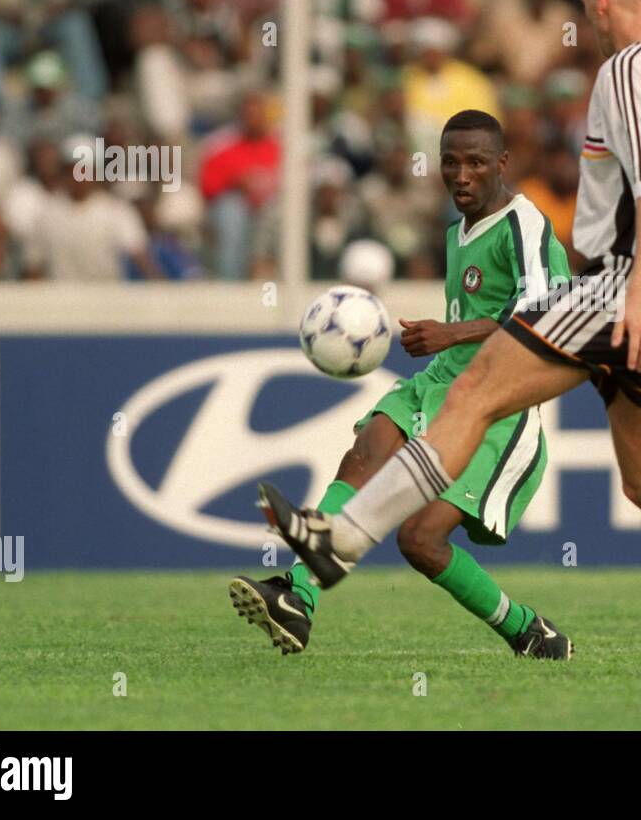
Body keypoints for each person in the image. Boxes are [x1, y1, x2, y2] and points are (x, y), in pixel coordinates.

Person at [259, 0, 641, 676]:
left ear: (599, 3)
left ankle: (337, 542)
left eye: (586, 8)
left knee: (472, 394)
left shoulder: (627, 68)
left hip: (629, 281)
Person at [233, 110, 575, 660]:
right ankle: (298, 597)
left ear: (502, 164)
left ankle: (528, 632)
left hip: (497, 406)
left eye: (476, 163)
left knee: (419, 540)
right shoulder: (456, 230)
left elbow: (549, 310)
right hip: (440, 383)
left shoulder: (523, 223)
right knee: (363, 454)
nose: (461, 175)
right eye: (450, 163)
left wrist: (450, 333)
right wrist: (446, 342)